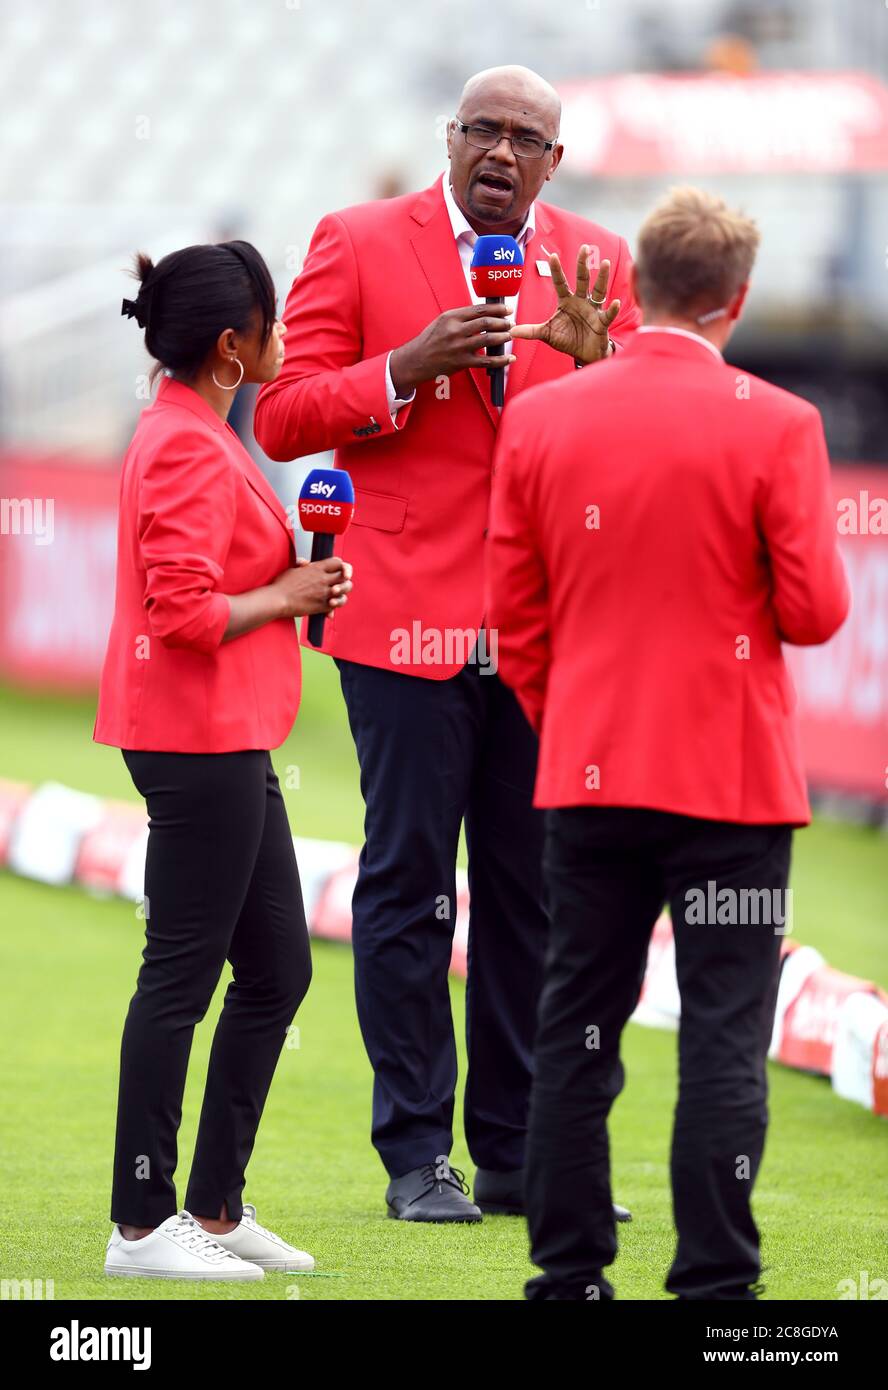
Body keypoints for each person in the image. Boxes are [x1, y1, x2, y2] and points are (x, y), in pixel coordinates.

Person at [254, 65, 640, 1223]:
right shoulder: (360, 239)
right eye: (484, 129)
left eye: (528, 138)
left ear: (555, 164)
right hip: (400, 620)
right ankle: (418, 1155)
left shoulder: (597, 261)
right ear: (454, 135)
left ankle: (521, 1153)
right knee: (412, 886)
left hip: (543, 629)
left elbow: (628, 449)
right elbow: (282, 412)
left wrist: (596, 370)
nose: (502, 153)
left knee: (533, 894)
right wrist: (401, 372)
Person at [486, 187, 849, 1299]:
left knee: (577, 1028)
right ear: (736, 301)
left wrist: (573, 729)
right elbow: (817, 612)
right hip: (730, 787)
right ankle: (714, 1286)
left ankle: (568, 1276)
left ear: (635, 285)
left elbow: (515, 613)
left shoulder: (543, 418)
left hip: (590, 777)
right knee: (723, 1039)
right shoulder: (779, 423)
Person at [95, 241, 353, 1280]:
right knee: (180, 979)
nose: (288, 338)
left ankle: (213, 1200)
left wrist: (290, 572)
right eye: (275, 321)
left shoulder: (197, 429)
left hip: (231, 734)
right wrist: (287, 596)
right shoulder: (184, 446)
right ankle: (143, 1224)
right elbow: (184, 610)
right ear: (234, 348)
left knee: (279, 969)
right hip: (194, 736)